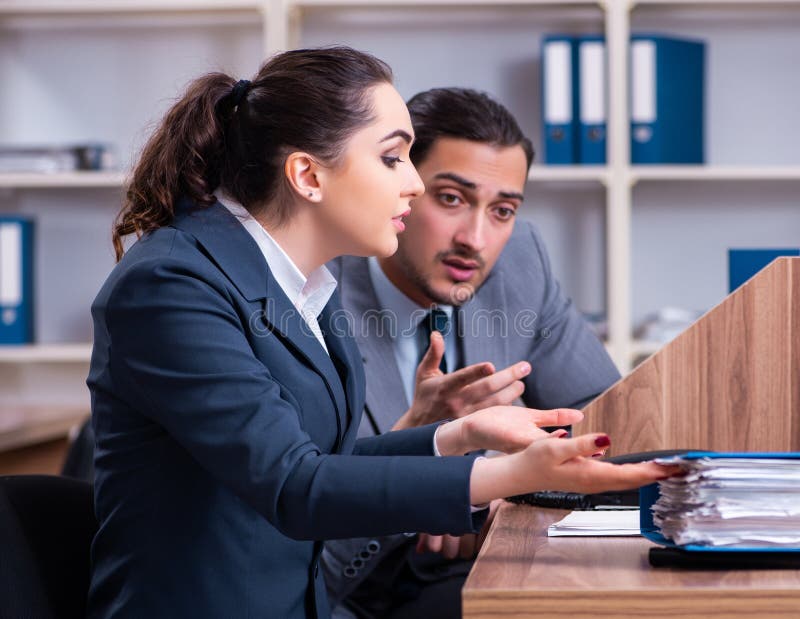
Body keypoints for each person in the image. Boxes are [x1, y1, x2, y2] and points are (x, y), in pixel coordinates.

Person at [86, 48, 676, 619]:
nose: (413, 185)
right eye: (393, 159)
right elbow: (295, 485)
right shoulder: (172, 285)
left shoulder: (301, 282)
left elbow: (323, 459)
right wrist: (514, 474)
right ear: (307, 175)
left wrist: (454, 436)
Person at [322, 88, 621, 619]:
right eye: (452, 199)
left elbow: (605, 418)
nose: (476, 240)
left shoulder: (520, 258)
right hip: (349, 587)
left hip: (482, 566)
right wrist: (423, 459)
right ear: (400, 185)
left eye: (502, 209)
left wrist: (494, 487)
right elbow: (293, 523)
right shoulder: (314, 291)